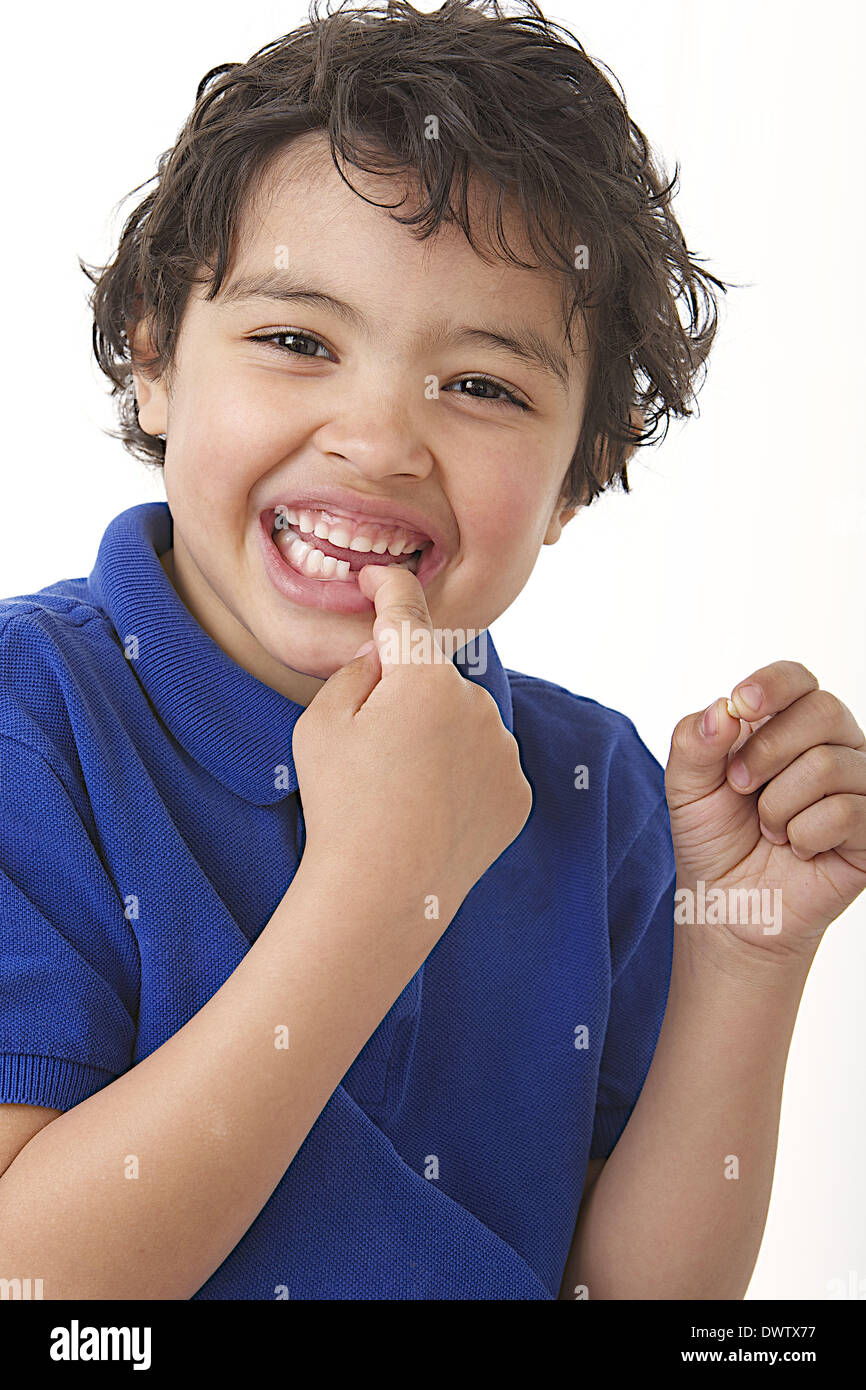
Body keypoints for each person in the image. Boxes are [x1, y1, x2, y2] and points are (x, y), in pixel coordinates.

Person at [1, 0, 864, 1300]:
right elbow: (36, 1281)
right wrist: (378, 883)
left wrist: (745, 953)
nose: (379, 437)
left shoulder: (597, 787)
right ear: (153, 357)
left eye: (483, 385)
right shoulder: (31, 720)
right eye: (297, 341)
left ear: (580, 478)